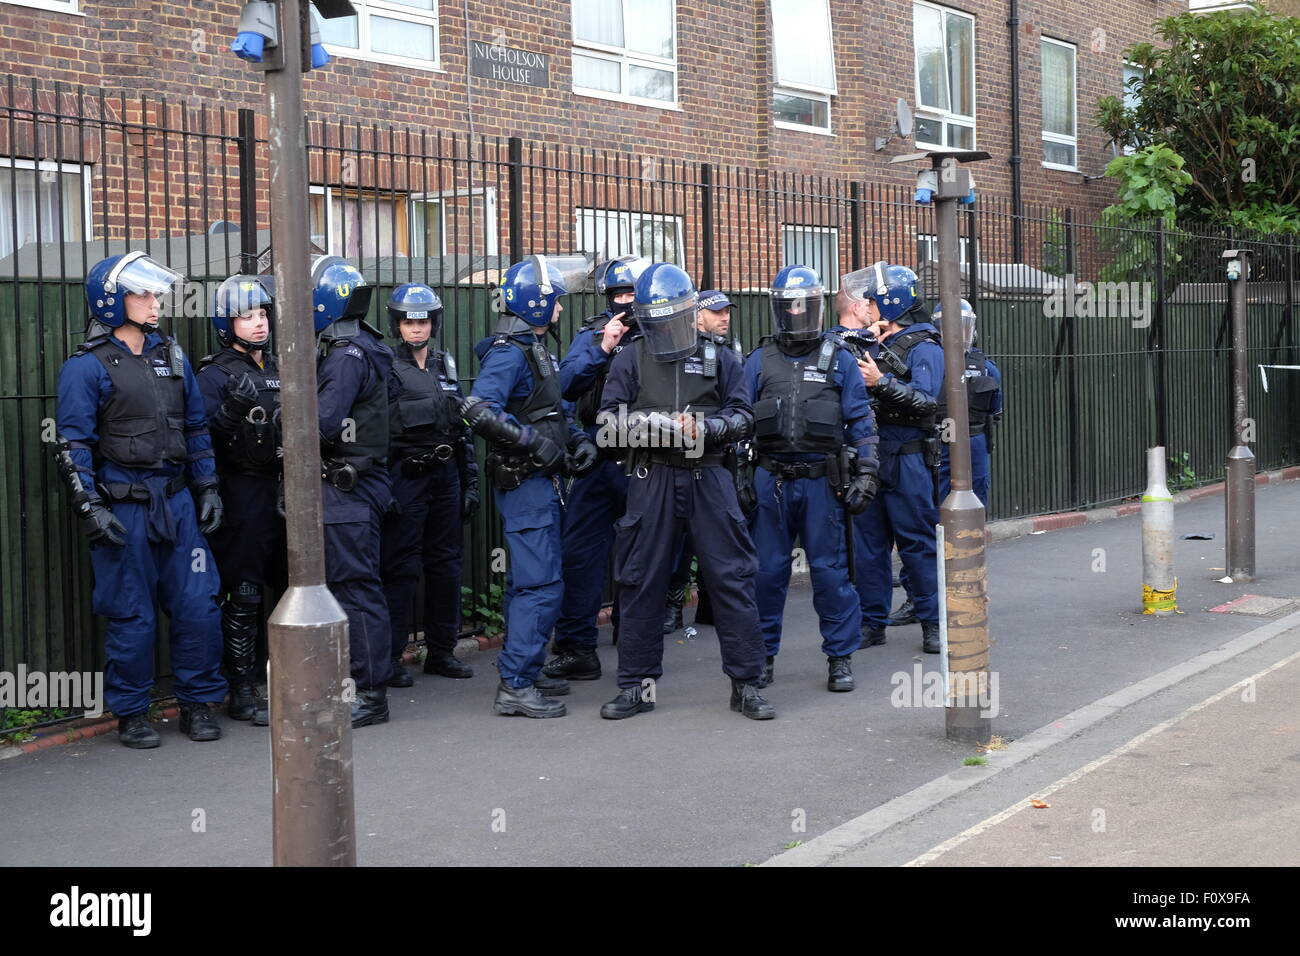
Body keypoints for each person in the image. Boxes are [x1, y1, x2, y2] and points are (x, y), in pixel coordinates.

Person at [55, 252, 227, 748]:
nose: (154, 304)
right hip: (125, 507)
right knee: (133, 614)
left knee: (198, 607)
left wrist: (208, 487)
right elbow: (74, 445)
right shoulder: (84, 368)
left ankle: (198, 704)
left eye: (154, 294)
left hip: (176, 505)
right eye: (142, 294)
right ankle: (131, 711)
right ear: (112, 302)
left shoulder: (172, 357)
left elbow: (195, 428)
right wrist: (89, 505)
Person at [595, 262, 773, 720]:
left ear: (688, 311)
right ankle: (636, 686)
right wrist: (642, 426)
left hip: (708, 474)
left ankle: (747, 684)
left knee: (732, 577)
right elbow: (606, 423)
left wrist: (707, 427)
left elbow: (744, 417)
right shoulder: (630, 357)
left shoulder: (720, 357)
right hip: (650, 476)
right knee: (639, 580)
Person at [460, 256, 598, 718]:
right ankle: (516, 683)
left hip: (542, 482)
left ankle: (527, 666)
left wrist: (577, 440)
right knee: (541, 585)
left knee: (531, 582)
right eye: (555, 301)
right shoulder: (510, 351)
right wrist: (533, 444)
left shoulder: (534, 348)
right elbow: (478, 409)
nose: (560, 308)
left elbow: (551, 406)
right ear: (536, 304)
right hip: (526, 483)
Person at [743, 266, 879, 692]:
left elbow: (861, 420)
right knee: (766, 574)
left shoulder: (840, 359)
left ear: (817, 308)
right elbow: (739, 421)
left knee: (829, 573)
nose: (798, 315)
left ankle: (840, 657)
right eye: (790, 308)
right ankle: (761, 657)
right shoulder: (758, 361)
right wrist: (737, 478)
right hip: (772, 481)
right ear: (779, 310)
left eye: (805, 307)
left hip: (823, 482)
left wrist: (869, 471)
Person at [544, 255, 647, 681]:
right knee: (580, 557)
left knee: (640, 556)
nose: (624, 302)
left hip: (643, 455)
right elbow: (564, 386)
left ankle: (637, 642)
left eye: (631, 294)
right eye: (617, 295)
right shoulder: (592, 333)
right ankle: (576, 648)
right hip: (597, 454)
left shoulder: (661, 336)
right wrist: (603, 347)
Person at [312, 256, 397, 727]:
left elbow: (322, 423)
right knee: (355, 587)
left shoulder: (345, 357)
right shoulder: (367, 346)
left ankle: (367, 693)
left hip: (348, 488)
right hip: (365, 482)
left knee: (354, 589)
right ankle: (359, 686)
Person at [197, 274, 285, 726]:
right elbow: (199, 436)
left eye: (262, 314)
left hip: (284, 486)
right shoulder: (213, 375)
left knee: (291, 587)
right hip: (242, 490)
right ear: (226, 323)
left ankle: (289, 679)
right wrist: (231, 412)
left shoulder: (279, 368)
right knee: (245, 592)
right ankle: (243, 689)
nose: (257, 323)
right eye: (246, 316)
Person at [843, 263, 945, 654]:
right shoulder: (874, 342)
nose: (865, 307)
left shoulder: (925, 347)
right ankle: (872, 622)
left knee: (917, 544)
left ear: (891, 302)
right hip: (872, 456)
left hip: (908, 459)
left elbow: (924, 402)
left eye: (870, 300)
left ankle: (932, 622)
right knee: (869, 546)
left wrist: (880, 382)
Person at [380, 284, 478, 688]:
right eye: (408, 321)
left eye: (422, 321)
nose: (416, 329)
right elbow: (379, 428)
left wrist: (469, 479)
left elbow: (463, 430)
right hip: (407, 475)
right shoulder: (385, 367)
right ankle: (389, 658)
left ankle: (441, 651)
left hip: (446, 477)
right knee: (400, 568)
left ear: (433, 323)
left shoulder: (445, 364)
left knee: (446, 566)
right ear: (397, 325)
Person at [664, 289, 743, 633]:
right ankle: (672, 604)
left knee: (722, 538)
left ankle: (712, 606)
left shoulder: (730, 352)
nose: (725, 318)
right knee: (680, 540)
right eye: (717, 313)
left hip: (721, 455)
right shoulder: (680, 352)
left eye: (727, 312)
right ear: (697, 316)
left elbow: (741, 406)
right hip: (681, 456)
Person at [934, 298, 1002, 507]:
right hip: (939, 437)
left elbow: (995, 410)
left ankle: (974, 536)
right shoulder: (931, 361)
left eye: (962, 326)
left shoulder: (986, 368)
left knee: (977, 489)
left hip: (974, 437)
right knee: (938, 493)